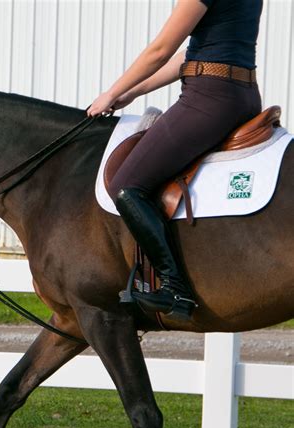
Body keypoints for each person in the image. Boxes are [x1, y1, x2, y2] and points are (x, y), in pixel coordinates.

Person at [88, 0, 263, 322]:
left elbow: (161, 50)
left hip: (209, 98)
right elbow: (193, 55)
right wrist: (136, 90)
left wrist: (111, 93)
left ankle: (174, 286)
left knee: (127, 185)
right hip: (240, 93)